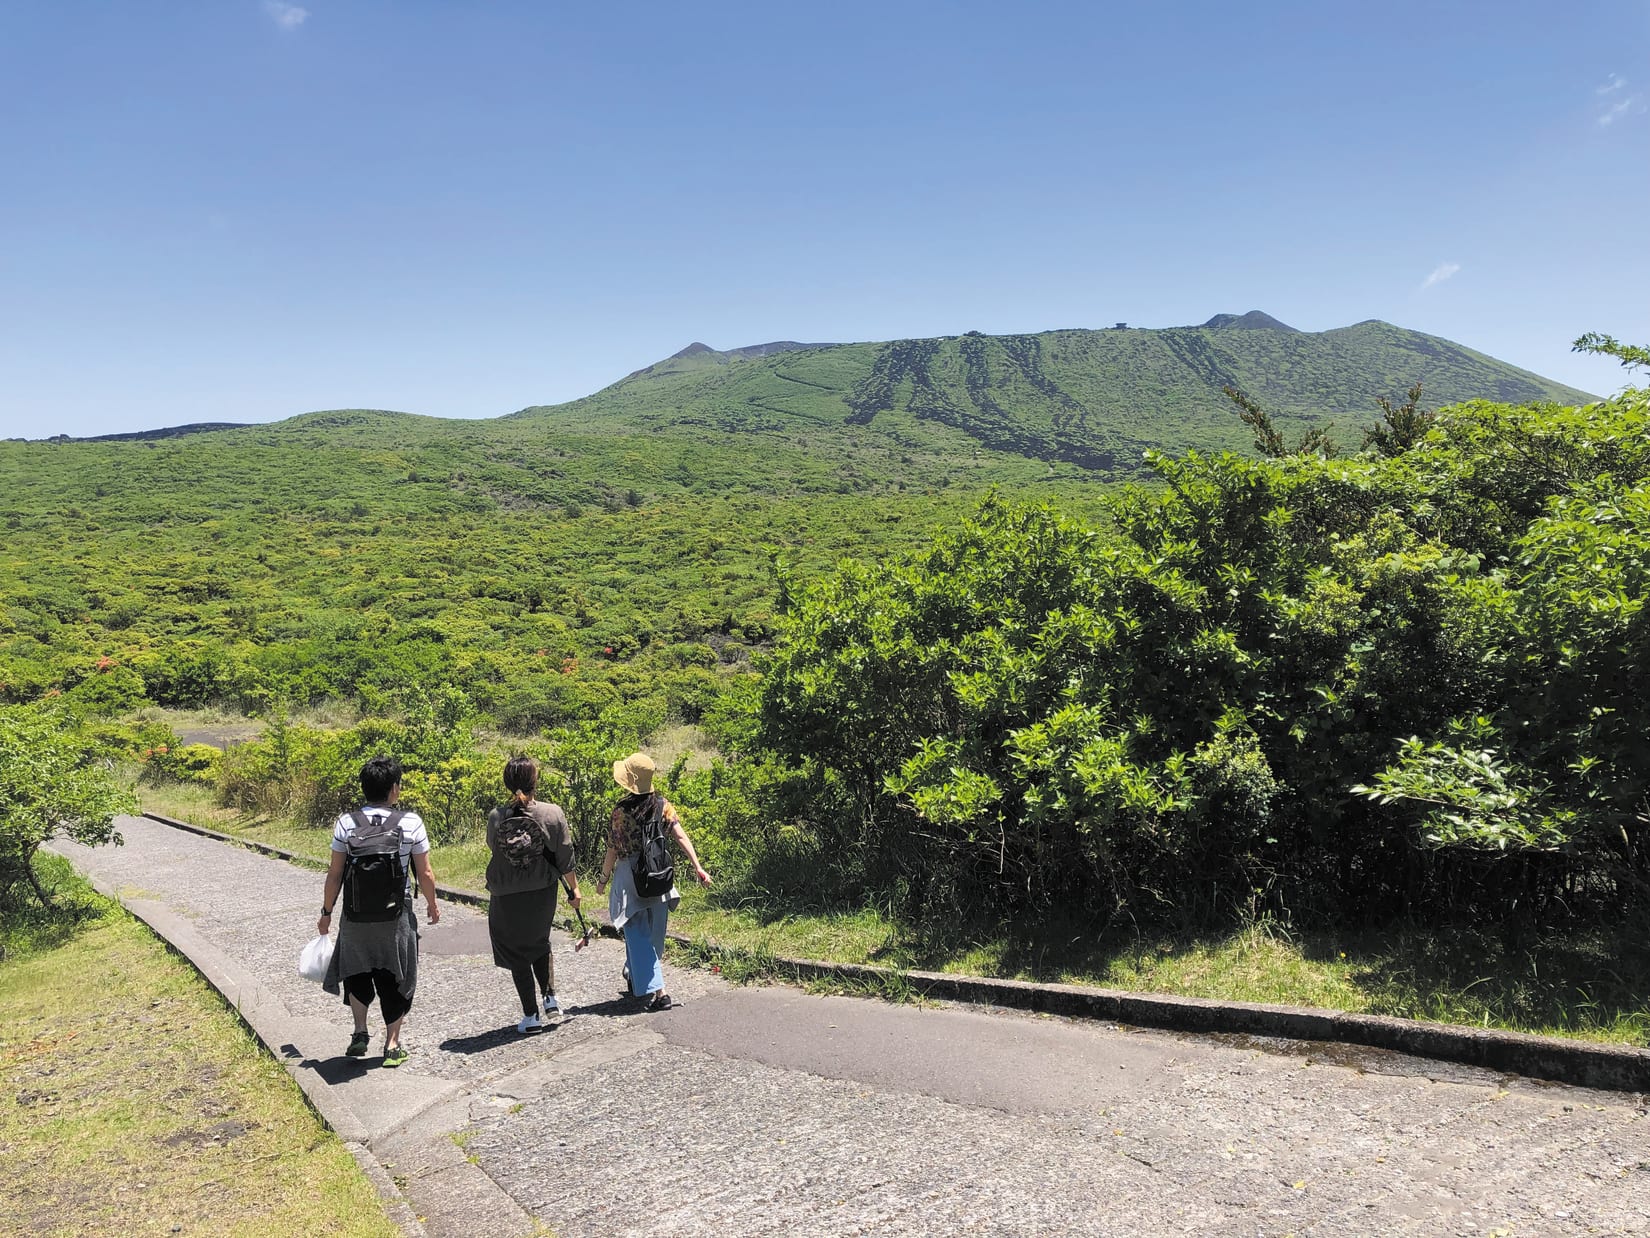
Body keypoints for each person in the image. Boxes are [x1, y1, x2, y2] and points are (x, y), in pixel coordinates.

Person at [318, 755, 440, 1067]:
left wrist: (327, 911)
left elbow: (335, 874)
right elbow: (424, 873)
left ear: (364, 788)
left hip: (355, 916)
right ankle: (393, 1044)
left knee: (357, 971)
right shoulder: (411, 823)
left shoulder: (347, 823)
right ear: (394, 789)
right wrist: (432, 903)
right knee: (396, 975)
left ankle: (360, 1031)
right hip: (395, 917)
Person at [594, 752, 712, 1011]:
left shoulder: (620, 811)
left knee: (636, 935)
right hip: (659, 873)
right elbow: (681, 836)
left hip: (630, 876)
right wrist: (698, 867)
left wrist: (603, 879)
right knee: (655, 934)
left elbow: (612, 850)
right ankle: (637, 975)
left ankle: (661, 993)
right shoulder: (662, 805)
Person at [484, 754, 581, 1034]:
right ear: (535, 781)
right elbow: (566, 856)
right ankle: (550, 998)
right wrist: (574, 889)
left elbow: (495, 848)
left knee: (515, 951)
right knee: (539, 940)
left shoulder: (496, 817)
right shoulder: (552, 813)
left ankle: (531, 1016)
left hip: (505, 893)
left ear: (506, 782)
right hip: (543, 890)